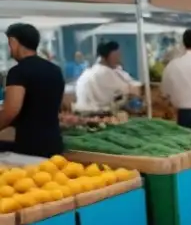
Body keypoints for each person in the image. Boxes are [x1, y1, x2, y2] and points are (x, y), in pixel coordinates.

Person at [0, 23, 65, 157]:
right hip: (54, 143)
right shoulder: (55, 70)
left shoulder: (18, 72)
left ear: (13, 42)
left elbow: (10, 111)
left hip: (29, 148)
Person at [75, 41, 135, 111]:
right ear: (104, 57)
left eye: (119, 55)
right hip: (97, 111)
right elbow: (126, 89)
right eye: (116, 56)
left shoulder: (110, 69)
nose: (119, 59)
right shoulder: (102, 72)